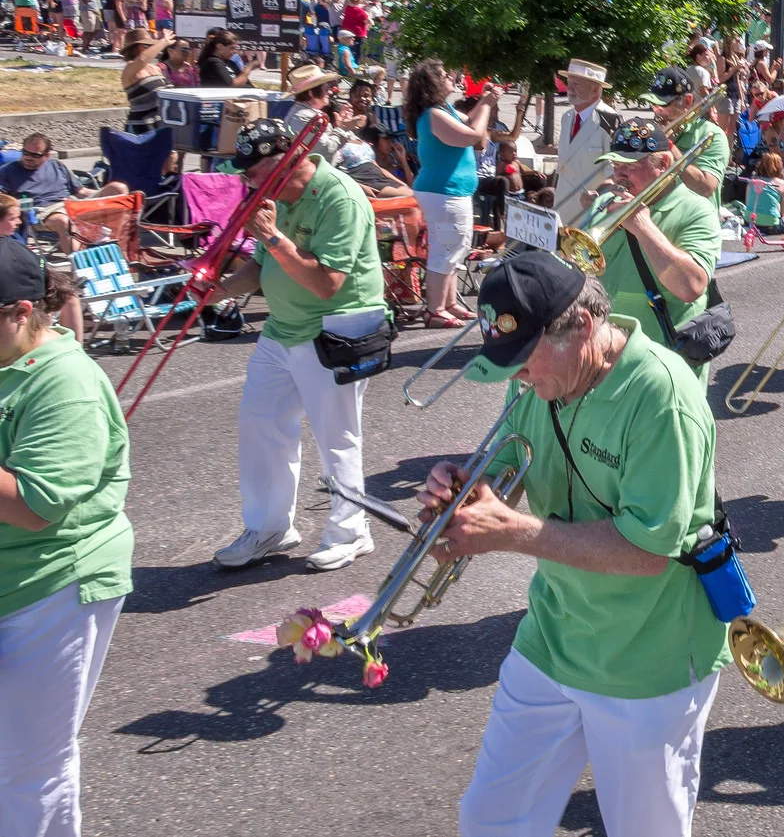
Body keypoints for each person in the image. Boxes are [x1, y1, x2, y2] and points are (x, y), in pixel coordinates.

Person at [421, 253, 724, 835]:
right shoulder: (542, 377)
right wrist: (460, 492)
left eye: (524, 360)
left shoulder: (662, 395)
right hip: (553, 636)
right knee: (489, 818)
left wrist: (510, 532)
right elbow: (502, 466)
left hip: (648, 659)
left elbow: (646, 551)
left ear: (582, 325)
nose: (517, 379)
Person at [209, 119, 389, 573]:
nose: (246, 180)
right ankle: (270, 526)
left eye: (252, 171)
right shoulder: (277, 198)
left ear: (284, 161)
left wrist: (272, 234)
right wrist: (219, 290)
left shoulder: (339, 196)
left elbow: (327, 282)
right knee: (260, 421)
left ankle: (352, 532)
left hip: (333, 329)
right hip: (283, 329)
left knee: (338, 436)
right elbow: (259, 267)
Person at [0, 241, 129, 837]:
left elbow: (34, 508)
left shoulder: (64, 381)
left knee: (27, 766)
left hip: (51, 583)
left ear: (21, 312)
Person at [585, 119, 720, 382]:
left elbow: (690, 286)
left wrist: (643, 226)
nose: (619, 176)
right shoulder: (605, 203)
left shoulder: (697, 210)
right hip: (604, 354)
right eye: (616, 165)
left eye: (631, 167)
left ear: (663, 165)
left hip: (665, 363)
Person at [406, 60, 498, 328]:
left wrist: (484, 99)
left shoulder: (442, 110)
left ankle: (449, 302)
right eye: (445, 75)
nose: (451, 78)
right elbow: (471, 135)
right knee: (445, 249)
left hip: (450, 192)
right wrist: (488, 105)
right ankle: (435, 309)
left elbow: (470, 122)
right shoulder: (434, 115)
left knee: (456, 248)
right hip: (442, 192)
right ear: (433, 83)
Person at [646, 65, 728, 202]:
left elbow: (705, 188)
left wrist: (668, 146)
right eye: (653, 104)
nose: (657, 110)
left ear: (687, 101)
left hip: (693, 219)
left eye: (664, 104)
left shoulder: (712, 134)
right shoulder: (649, 131)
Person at [552, 58, 617, 213]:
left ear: (595, 90)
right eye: (569, 83)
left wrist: (599, 194)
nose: (570, 89)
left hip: (588, 207)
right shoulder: (567, 117)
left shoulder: (609, 120)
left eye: (577, 84)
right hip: (562, 203)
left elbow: (615, 170)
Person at [0, 135, 84, 253]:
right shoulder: (9, 171)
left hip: (70, 204)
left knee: (116, 189)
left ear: (47, 155)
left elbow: (80, 191)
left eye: (35, 155)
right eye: (25, 153)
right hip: (41, 213)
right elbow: (2, 199)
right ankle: (79, 266)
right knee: (65, 221)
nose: (28, 158)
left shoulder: (56, 165)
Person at [117, 29, 174, 134]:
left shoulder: (156, 68)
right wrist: (163, 41)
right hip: (140, 127)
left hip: (160, 124)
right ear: (134, 48)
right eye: (147, 46)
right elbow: (143, 59)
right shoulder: (129, 69)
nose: (152, 49)